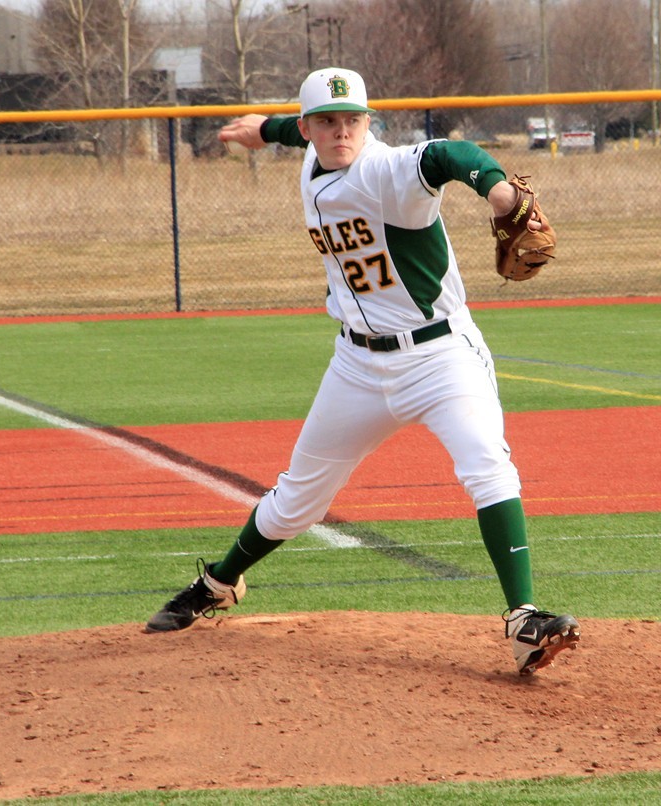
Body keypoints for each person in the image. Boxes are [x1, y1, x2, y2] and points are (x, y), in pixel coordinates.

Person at [143, 67, 579, 676]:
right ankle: (219, 583)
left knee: (487, 464)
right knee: (296, 501)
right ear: (309, 128)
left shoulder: (388, 171)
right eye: (328, 121)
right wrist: (263, 131)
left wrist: (498, 191)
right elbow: (295, 132)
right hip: (356, 364)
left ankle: (524, 619)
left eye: (353, 119)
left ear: (369, 123)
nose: (342, 131)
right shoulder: (311, 156)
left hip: (439, 357)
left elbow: (450, 156)